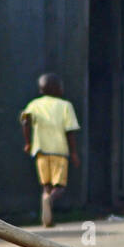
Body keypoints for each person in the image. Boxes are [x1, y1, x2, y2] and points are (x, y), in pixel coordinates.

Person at [20, 74, 81, 227]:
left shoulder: (34, 104)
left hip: (40, 150)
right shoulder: (65, 105)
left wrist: (28, 142)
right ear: (56, 89)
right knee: (59, 186)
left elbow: (25, 122)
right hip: (59, 151)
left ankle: (47, 218)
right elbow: (70, 131)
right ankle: (50, 200)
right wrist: (73, 153)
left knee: (46, 185)